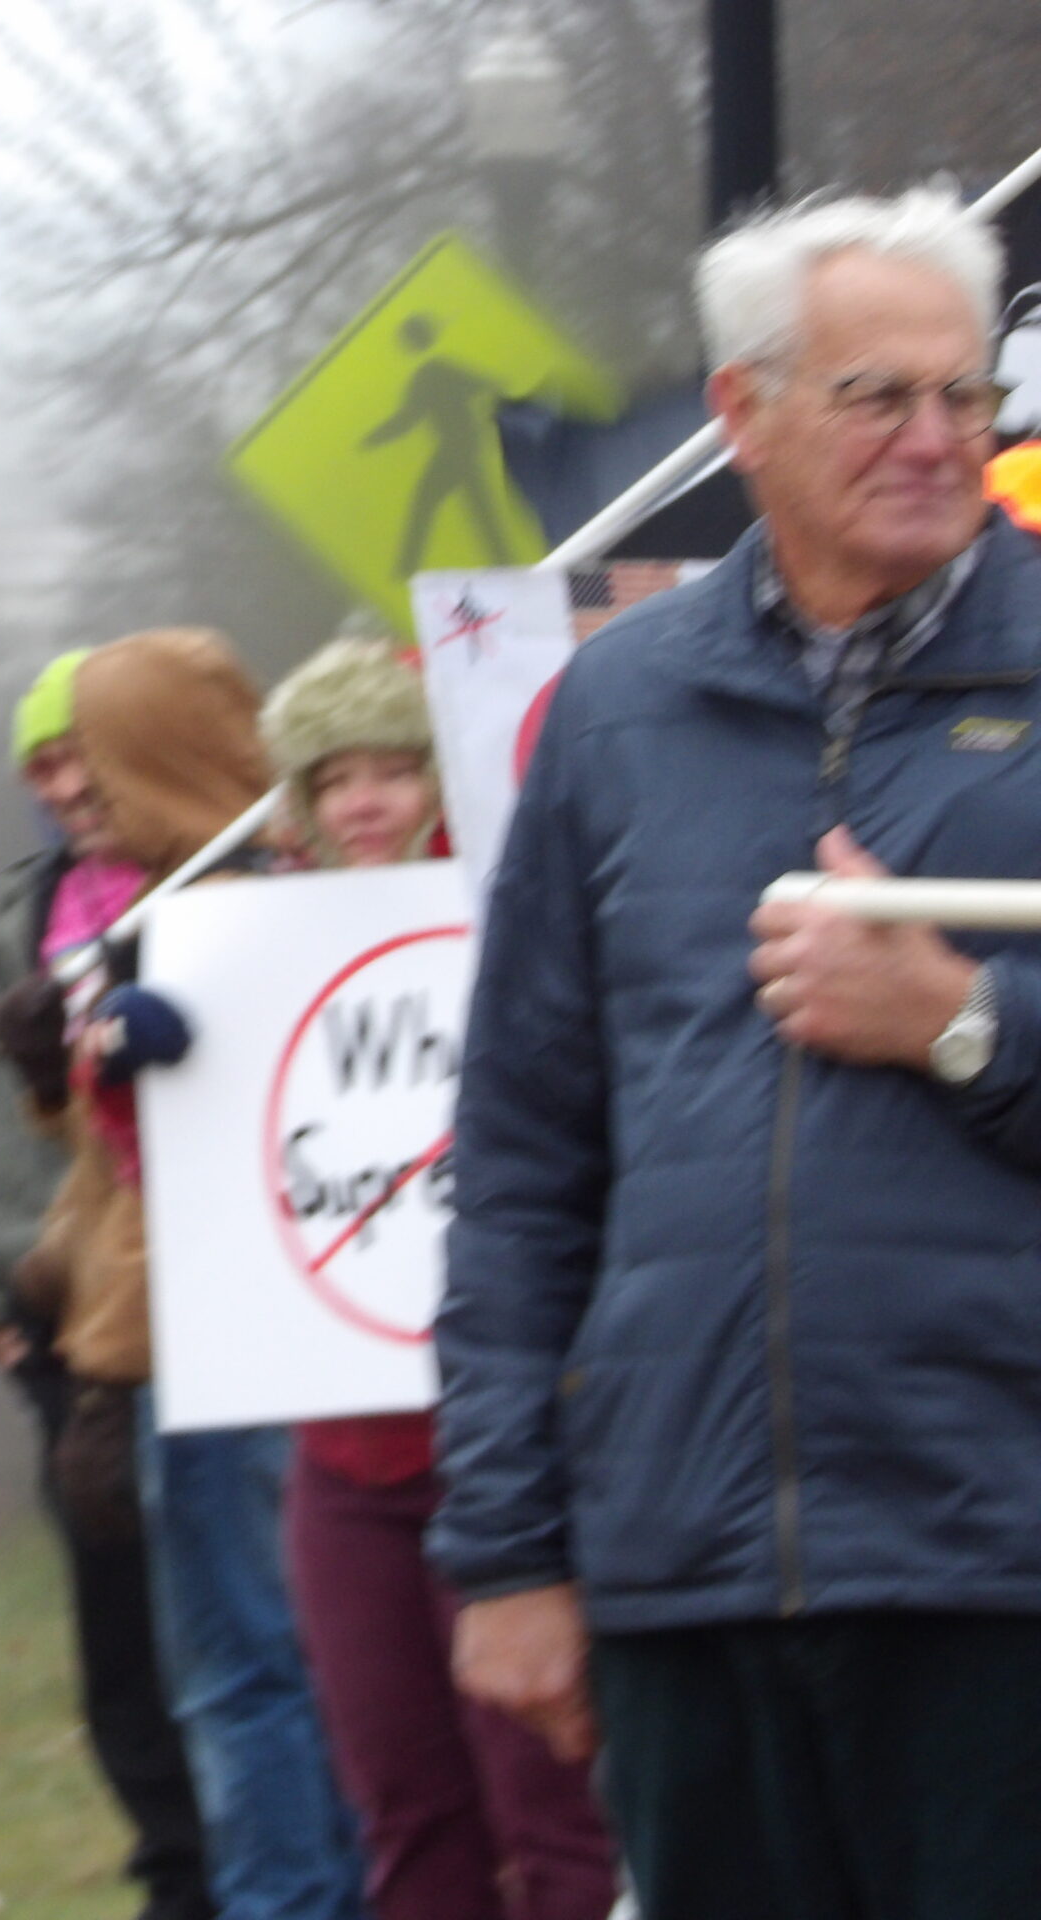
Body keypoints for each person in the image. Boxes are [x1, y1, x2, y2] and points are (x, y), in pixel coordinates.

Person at [433, 186, 1041, 1919]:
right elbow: (524, 1156)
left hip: (1000, 1567)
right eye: (879, 397)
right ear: (741, 410)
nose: (939, 440)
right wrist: (507, 1552)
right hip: (687, 1575)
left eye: (964, 396)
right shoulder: (621, 710)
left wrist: (968, 1026)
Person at [0, 629, 369, 1920]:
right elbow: (104, 1160)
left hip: (247, 1331)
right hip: (154, 1333)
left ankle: (299, 1900)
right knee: (229, 1665)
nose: (68, 788)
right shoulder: (103, 904)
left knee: (263, 1667)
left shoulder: (271, 899)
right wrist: (61, 1070)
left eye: (90, 754)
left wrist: (186, 1030)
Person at [255, 637, 617, 1920]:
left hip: (507, 1449)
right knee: (405, 1815)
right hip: (342, 1463)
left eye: (393, 769)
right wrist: (126, 1069)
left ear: (441, 779)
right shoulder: (243, 958)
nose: (364, 803)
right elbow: (202, 1205)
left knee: (556, 1817)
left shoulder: (525, 915)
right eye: (333, 778)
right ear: (296, 805)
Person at [0, 648, 215, 1920]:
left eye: (75, 754)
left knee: (220, 1628)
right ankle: (171, 1869)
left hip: (193, 1307)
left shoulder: (214, 881)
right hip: (56, 1314)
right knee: (114, 1636)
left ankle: (233, 1870)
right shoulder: (26, 912)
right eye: (39, 765)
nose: (60, 784)